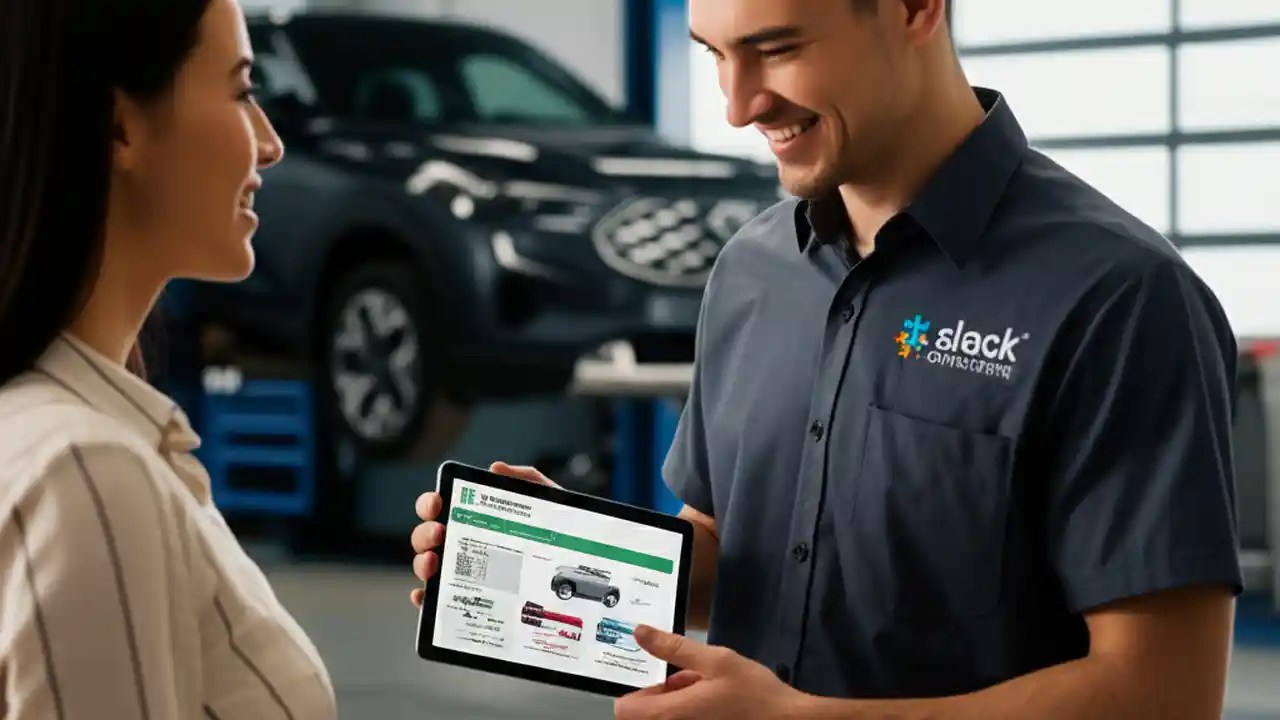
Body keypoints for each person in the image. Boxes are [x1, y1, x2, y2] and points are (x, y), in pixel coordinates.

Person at [412, 0, 1242, 717]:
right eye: (715, 54)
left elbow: (1162, 694)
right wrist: (576, 551)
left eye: (777, 49)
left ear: (917, 7)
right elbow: (738, 548)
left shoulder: (1119, 297)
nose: (738, 107)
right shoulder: (750, 271)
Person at [0, 0, 337, 717]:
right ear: (118, 125)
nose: (270, 142)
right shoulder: (87, 469)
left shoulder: (60, 436)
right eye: (243, 92)